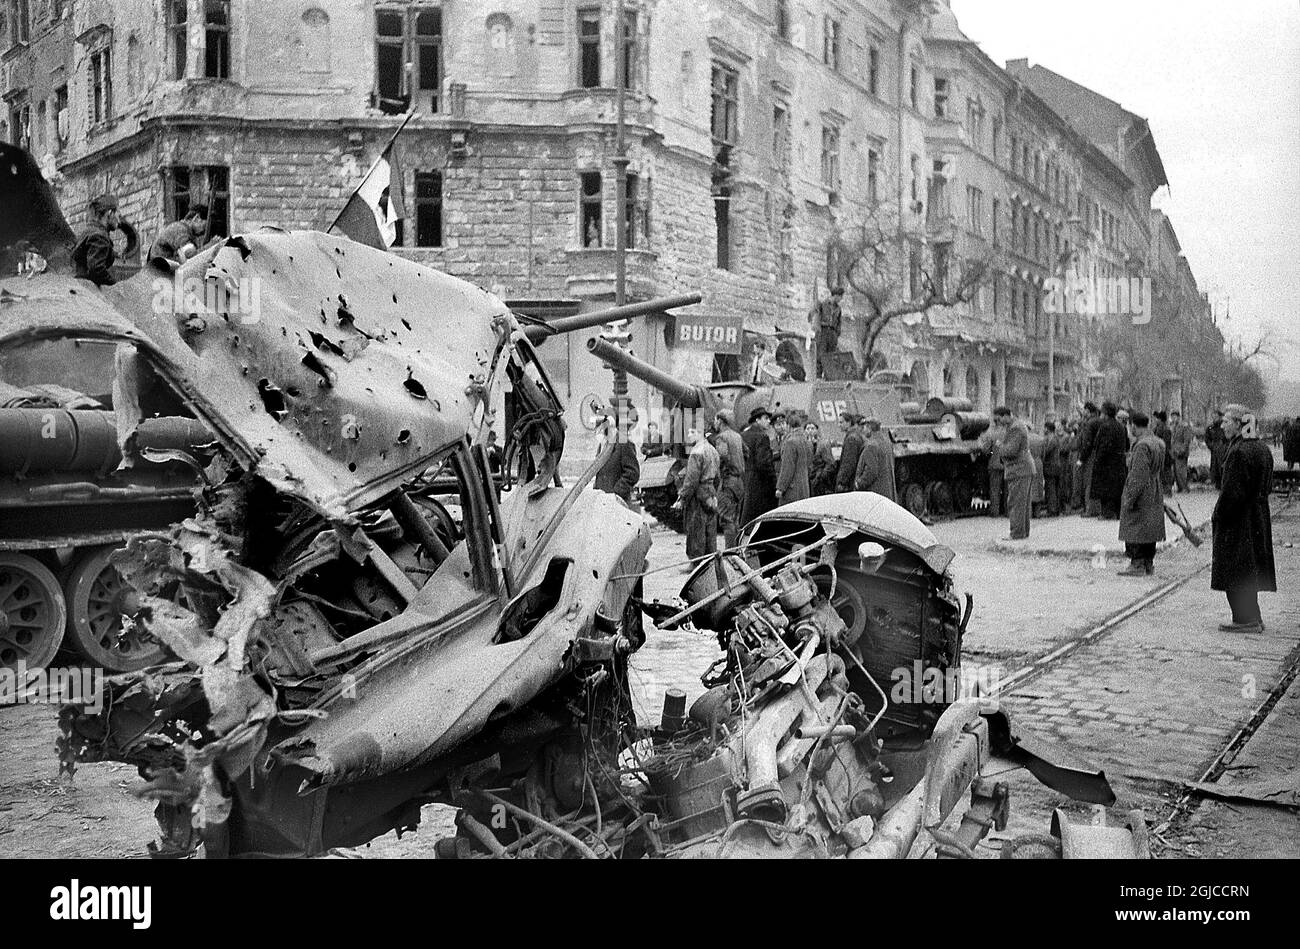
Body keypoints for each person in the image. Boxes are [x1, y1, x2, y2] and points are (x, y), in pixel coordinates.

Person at [1211, 405, 1276, 632]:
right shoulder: (1261, 448)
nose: (1222, 425)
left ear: (1239, 424)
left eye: (1227, 421)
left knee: (1236, 569)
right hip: (1257, 517)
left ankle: (1244, 619)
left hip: (1239, 521)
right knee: (1250, 569)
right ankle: (1253, 616)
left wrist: (1218, 515)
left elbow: (1231, 493)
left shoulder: (1238, 452)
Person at [1117, 412, 1167, 576]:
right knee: (1150, 526)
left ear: (1133, 425)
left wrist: (1129, 498)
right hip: (1154, 488)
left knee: (1135, 525)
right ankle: (1148, 562)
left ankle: (1137, 563)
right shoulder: (1158, 442)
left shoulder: (1141, 446)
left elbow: (1138, 475)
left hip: (1142, 491)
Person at [673, 425, 720, 566]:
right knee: (710, 529)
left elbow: (691, 480)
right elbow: (718, 476)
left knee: (696, 529)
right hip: (710, 490)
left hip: (698, 493)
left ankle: (696, 563)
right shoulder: (713, 450)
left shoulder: (696, 452)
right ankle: (711, 561)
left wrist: (682, 498)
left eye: (692, 432)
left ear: (701, 433)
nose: (689, 435)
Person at [995, 406, 1033, 540]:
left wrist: (999, 446)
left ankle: (1016, 533)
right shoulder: (1016, 426)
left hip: (1019, 469)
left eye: (999, 419)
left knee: (1015, 502)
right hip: (1023, 469)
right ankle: (1022, 532)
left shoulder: (1015, 428)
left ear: (1006, 415)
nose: (998, 422)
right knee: (1022, 504)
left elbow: (1011, 451)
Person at [71, 194, 121, 287]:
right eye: (118, 214)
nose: (119, 220)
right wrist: (117, 287)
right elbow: (96, 270)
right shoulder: (99, 237)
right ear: (110, 213)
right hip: (87, 291)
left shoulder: (88, 231)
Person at [713, 409, 746, 549]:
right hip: (739, 482)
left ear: (720, 421)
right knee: (735, 520)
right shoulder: (737, 436)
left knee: (726, 520)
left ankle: (730, 553)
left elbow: (722, 456)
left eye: (715, 420)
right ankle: (737, 550)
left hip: (728, 481)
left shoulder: (721, 437)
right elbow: (747, 452)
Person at [593, 406, 640, 504]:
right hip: (601, 501)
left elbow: (632, 473)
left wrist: (617, 492)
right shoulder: (603, 443)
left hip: (617, 503)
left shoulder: (623, 443)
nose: (598, 427)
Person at [1090, 401, 1128, 520]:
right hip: (1119, 463)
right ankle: (1117, 512)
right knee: (1117, 489)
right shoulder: (1120, 427)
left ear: (1106, 414)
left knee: (1105, 490)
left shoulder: (1105, 427)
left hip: (1106, 464)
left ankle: (1107, 513)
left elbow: (1102, 446)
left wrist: (1098, 461)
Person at [740, 407, 777, 523]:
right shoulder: (762, 436)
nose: (769, 421)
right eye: (766, 418)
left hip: (745, 480)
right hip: (759, 484)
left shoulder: (742, 435)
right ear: (757, 420)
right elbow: (763, 463)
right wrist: (773, 480)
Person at [148, 203, 209, 267]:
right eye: (204, 226)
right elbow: (191, 258)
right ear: (197, 218)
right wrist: (209, 246)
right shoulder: (180, 229)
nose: (204, 231)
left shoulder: (181, 228)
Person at [853, 417, 897, 503]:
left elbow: (871, 471)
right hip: (887, 493)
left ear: (869, 428)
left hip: (876, 494)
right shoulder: (887, 443)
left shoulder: (871, 446)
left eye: (864, 427)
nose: (863, 430)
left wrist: (858, 484)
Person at [775, 411, 811, 504]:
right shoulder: (806, 440)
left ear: (788, 425)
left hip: (792, 490)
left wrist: (781, 488)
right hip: (804, 487)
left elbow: (788, 467)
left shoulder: (790, 442)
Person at [813, 287, 844, 377]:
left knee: (831, 355)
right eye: (840, 297)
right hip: (823, 331)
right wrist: (818, 331)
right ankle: (818, 376)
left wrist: (837, 333)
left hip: (832, 333)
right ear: (836, 296)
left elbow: (839, 322)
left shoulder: (838, 309)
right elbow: (816, 317)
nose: (840, 300)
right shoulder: (823, 304)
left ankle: (828, 376)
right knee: (820, 354)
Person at [1078, 402, 1102, 516]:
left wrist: (1081, 458)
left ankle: (1089, 509)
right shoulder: (1101, 421)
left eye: (1085, 411)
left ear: (1088, 411)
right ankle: (1097, 508)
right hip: (1099, 454)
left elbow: (1086, 443)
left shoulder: (1089, 423)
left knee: (1088, 482)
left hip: (1090, 455)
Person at [977, 422, 1005, 517]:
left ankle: (995, 512)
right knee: (1007, 489)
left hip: (995, 464)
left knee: (995, 489)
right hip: (1007, 465)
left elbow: (986, 450)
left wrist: (991, 452)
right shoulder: (1010, 433)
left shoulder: (992, 434)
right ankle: (1007, 511)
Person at [836, 414, 865, 493]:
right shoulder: (857, 435)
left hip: (850, 483)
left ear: (849, 423)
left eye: (841, 422)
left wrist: (841, 482)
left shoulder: (851, 439)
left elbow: (848, 463)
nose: (839, 425)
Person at [807, 420, 837, 496]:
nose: (810, 431)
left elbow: (831, 463)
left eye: (812, 428)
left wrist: (821, 476)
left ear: (817, 430)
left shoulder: (823, 444)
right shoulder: (803, 445)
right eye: (808, 429)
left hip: (820, 482)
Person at [1169, 410, 1194, 493]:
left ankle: (1184, 487)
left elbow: (1187, 440)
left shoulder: (1184, 426)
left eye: (1175, 417)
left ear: (1179, 417)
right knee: (1176, 471)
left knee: (1181, 471)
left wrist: (1182, 450)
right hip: (1174, 451)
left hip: (1181, 452)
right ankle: (1180, 487)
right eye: (1172, 417)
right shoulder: (1172, 426)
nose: (1173, 419)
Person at [1151, 410, 1174, 496]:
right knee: (1162, 472)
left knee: (1166, 472)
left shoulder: (1165, 429)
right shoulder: (1158, 428)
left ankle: (1167, 490)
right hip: (1160, 453)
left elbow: (1165, 444)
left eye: (1157, 418)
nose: (1156, 420)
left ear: (1160, 419)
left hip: (1165, 454)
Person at [1043, 421, 1063, 517]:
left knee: (1051, 489)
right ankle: (1055, 508)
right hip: (1055, 467)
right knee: (1054, 489)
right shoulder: (1054, 438)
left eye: (1044, 428)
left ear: (1047, 429)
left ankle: (1052, 509)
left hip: (1051, 467)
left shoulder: (1052, 439)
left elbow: (1046, 452)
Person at [1028, 426, 1046, 518]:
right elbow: (1044, 454)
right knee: (1039, 486)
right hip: (1038, 463)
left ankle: (1029, 513)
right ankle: (1037, 513)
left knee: (1029, 486)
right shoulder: (1040, 439)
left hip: (1028, 462)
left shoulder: (1025, 439)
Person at [1206, 410, 1227, 488]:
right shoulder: (1210, 427)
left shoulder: (1224, 426)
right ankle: (1217, 483)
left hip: (1223, 449)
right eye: (1213, 417)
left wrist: (1224, 446)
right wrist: (1211, 445)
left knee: (1222, 466)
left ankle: (1223, 483)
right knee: (1215, 467)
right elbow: (1207, 438)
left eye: (1216, 417)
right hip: (1214, 449)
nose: (1214, 419)